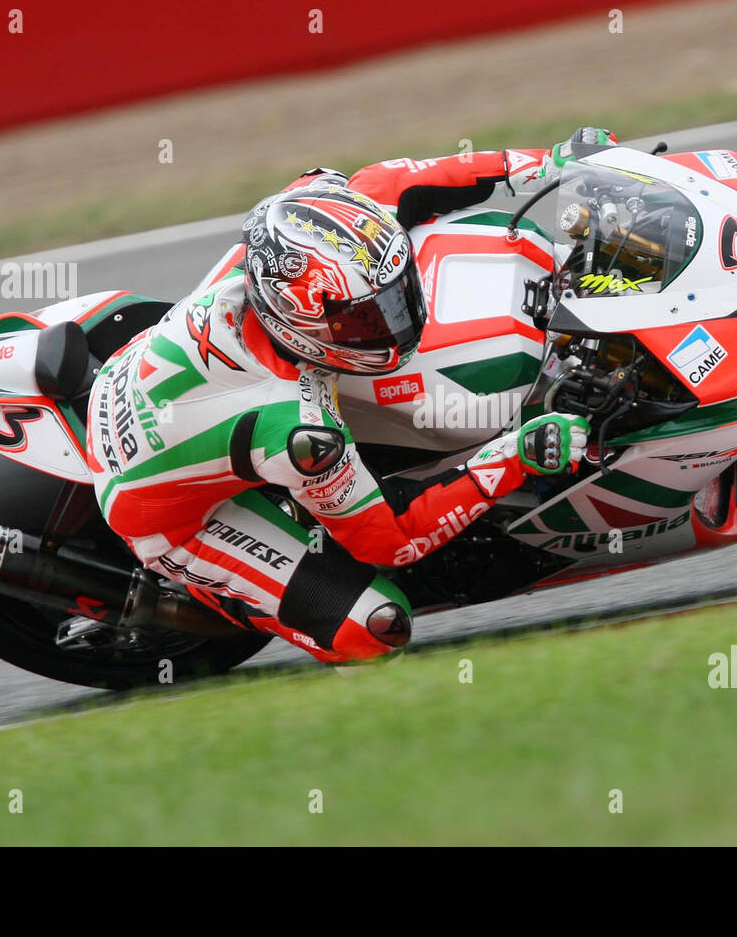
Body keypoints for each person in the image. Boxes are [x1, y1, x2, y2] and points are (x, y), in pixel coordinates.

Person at [84, 130, 617, 663]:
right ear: (297, 323)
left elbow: (391, 182)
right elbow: (390, 540)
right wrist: (512, 457)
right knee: (377, 628)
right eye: (362, 319)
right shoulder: (298, 428)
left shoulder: (299, 226)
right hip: (165, 518)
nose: (392, 323)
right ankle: (215, 600)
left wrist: (548, 164)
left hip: (147, 380)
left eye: (393, 301)